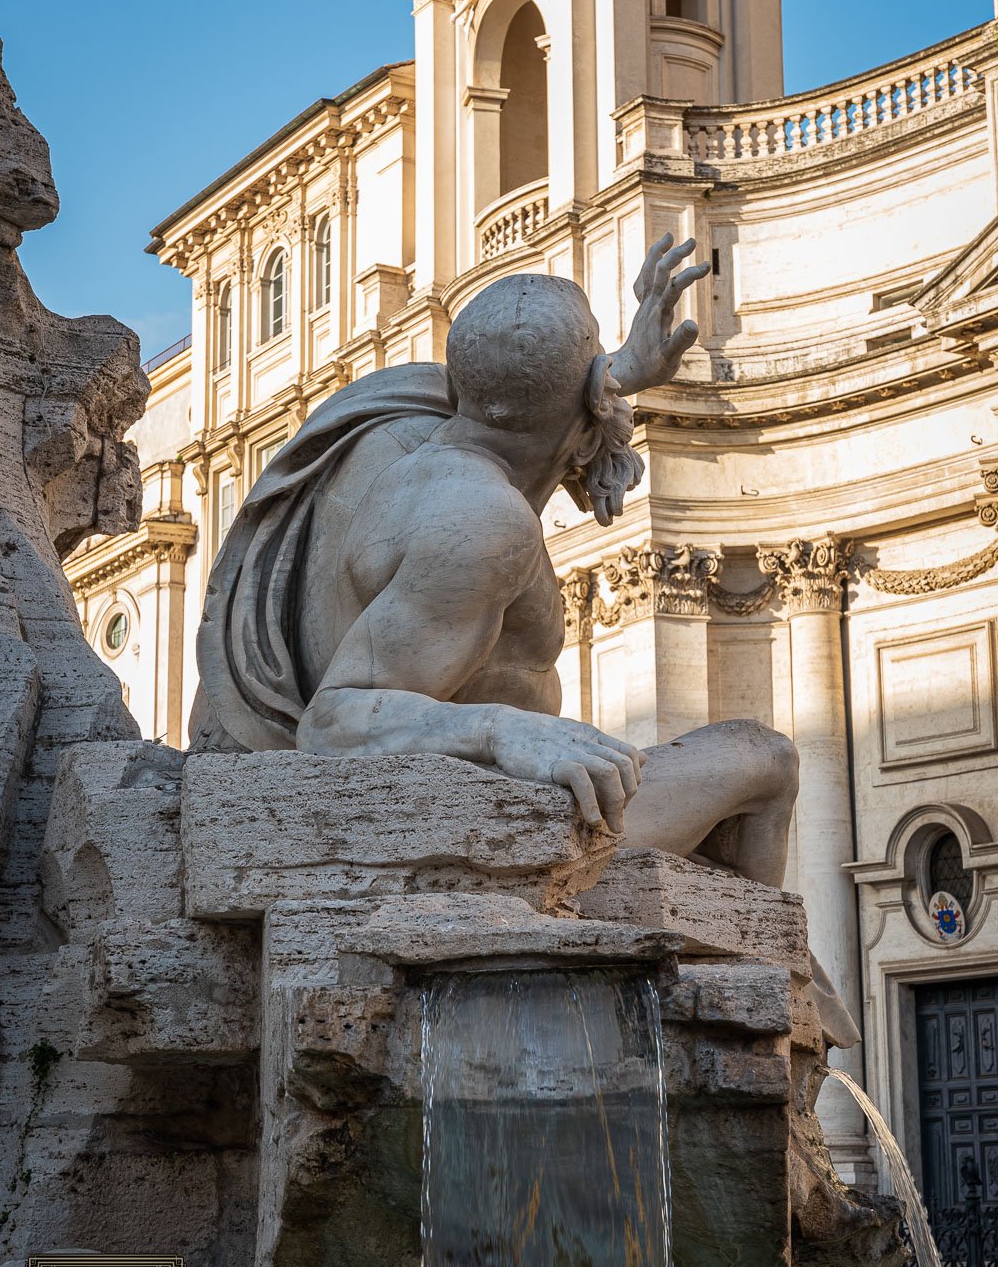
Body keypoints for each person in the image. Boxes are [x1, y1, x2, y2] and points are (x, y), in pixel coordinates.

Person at [191, 236, 800, 891]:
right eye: (601, 371)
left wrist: (618, 368)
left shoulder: (396, 414)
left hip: (460, 783)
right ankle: (767, 967)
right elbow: (334, 719)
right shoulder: (482, 525)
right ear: (593, 398)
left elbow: (521, 397)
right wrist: (501, 732)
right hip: (474, 815)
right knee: (764, 759)